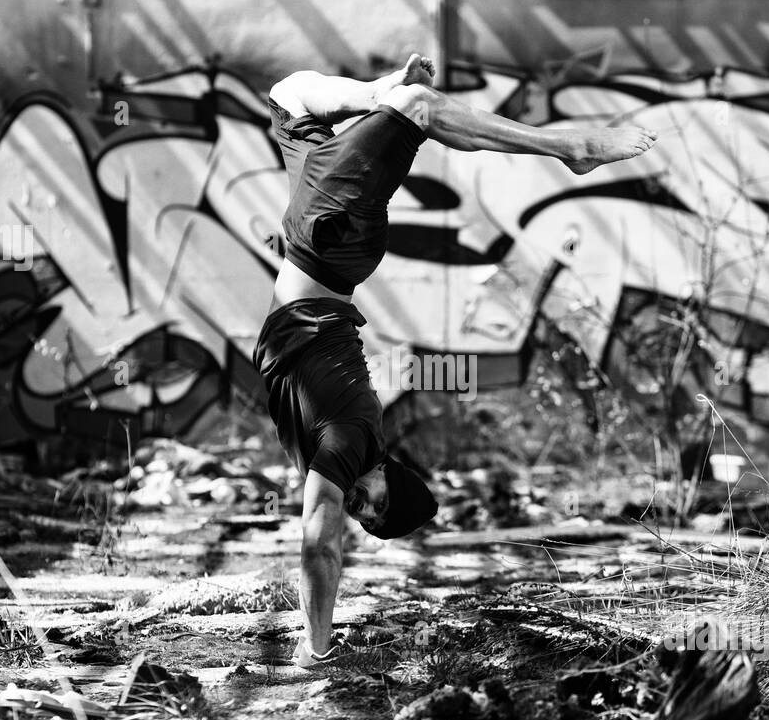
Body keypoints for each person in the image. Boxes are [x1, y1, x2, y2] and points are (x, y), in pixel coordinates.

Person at [253, 54, 657, 669]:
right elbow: (319, 539)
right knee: (418, 110)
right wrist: (317, 649)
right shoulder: (349, 440)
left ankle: (380, 91)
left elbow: (329, 527)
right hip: (328, 240)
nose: (362, 505)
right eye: (378, 501)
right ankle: (570, 146)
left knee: (289, 97)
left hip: (321, 247)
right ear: (387, 469)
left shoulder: (338, 452)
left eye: (368, 517)